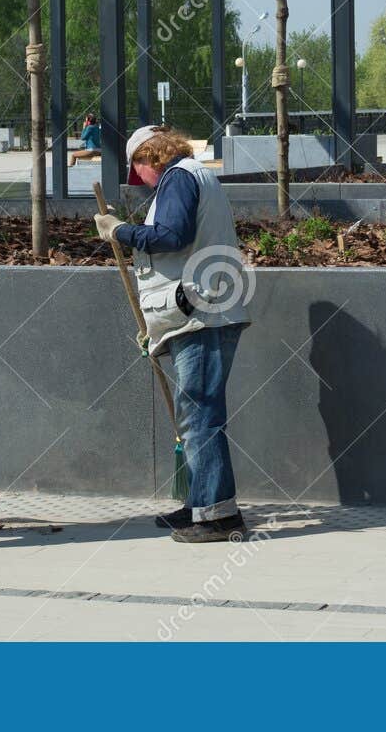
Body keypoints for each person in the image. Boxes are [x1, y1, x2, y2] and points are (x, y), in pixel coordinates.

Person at [95, 125, 250, 543]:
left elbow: (171, 236)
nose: (140, 181)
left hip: (202, 315)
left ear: (149, 157)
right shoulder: (196, 175)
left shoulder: (178, 177)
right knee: (197, 413)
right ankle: (201, 504)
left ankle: (218, 518)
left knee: (200, 416)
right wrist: (156, 327)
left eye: (138, 169)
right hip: (204, 311)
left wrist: (120, 231)